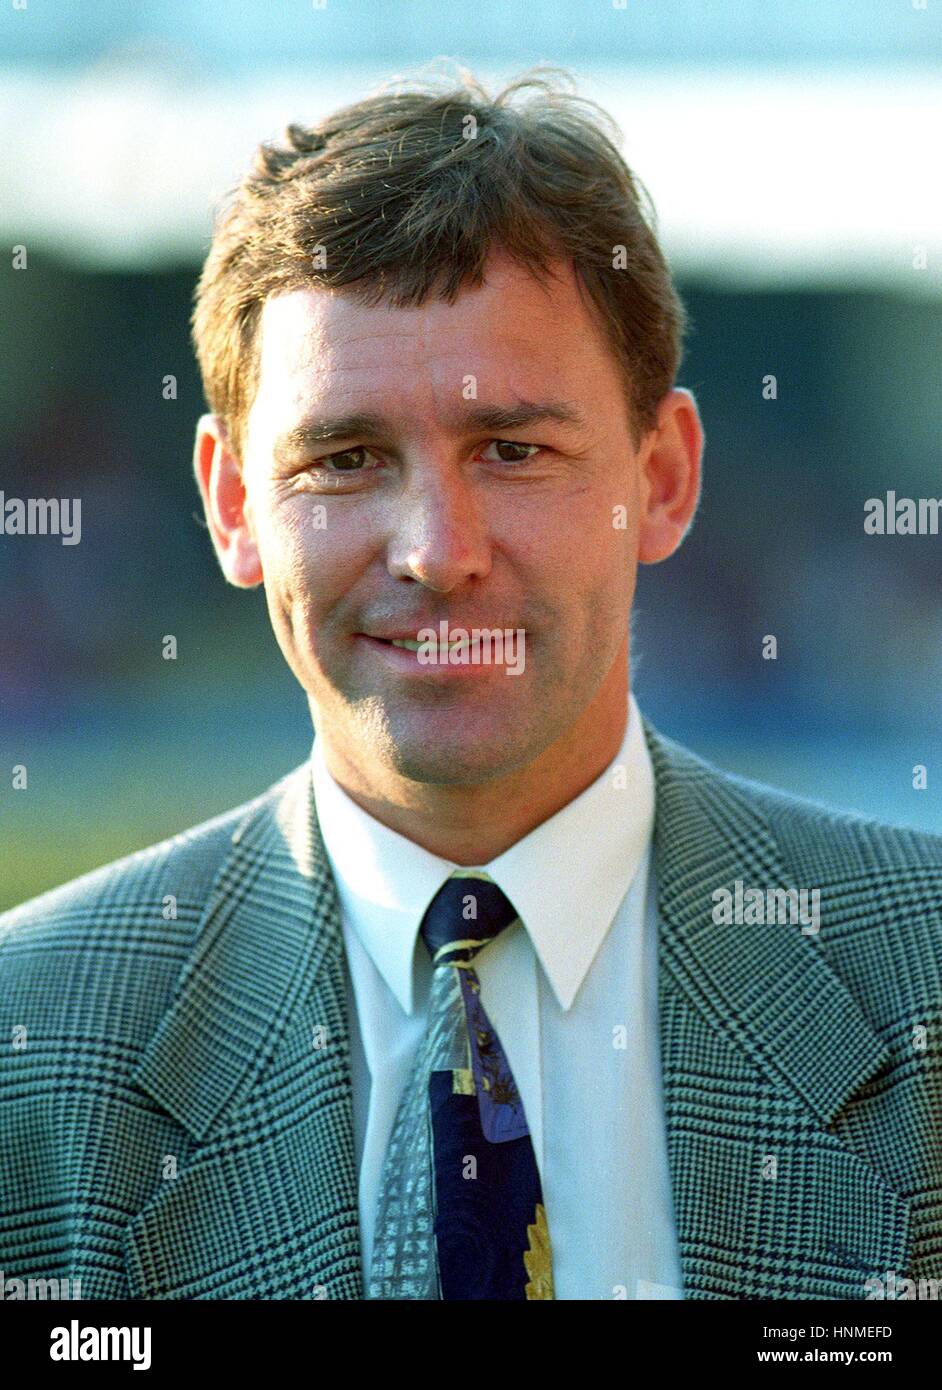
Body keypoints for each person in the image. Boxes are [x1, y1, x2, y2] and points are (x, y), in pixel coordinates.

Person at [1, 68, 940, 1302]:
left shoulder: (918, 986)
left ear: (662, 477)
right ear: (234, 504)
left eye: (513, 449)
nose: (437, 550)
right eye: (345, 458)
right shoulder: (32, 1053)